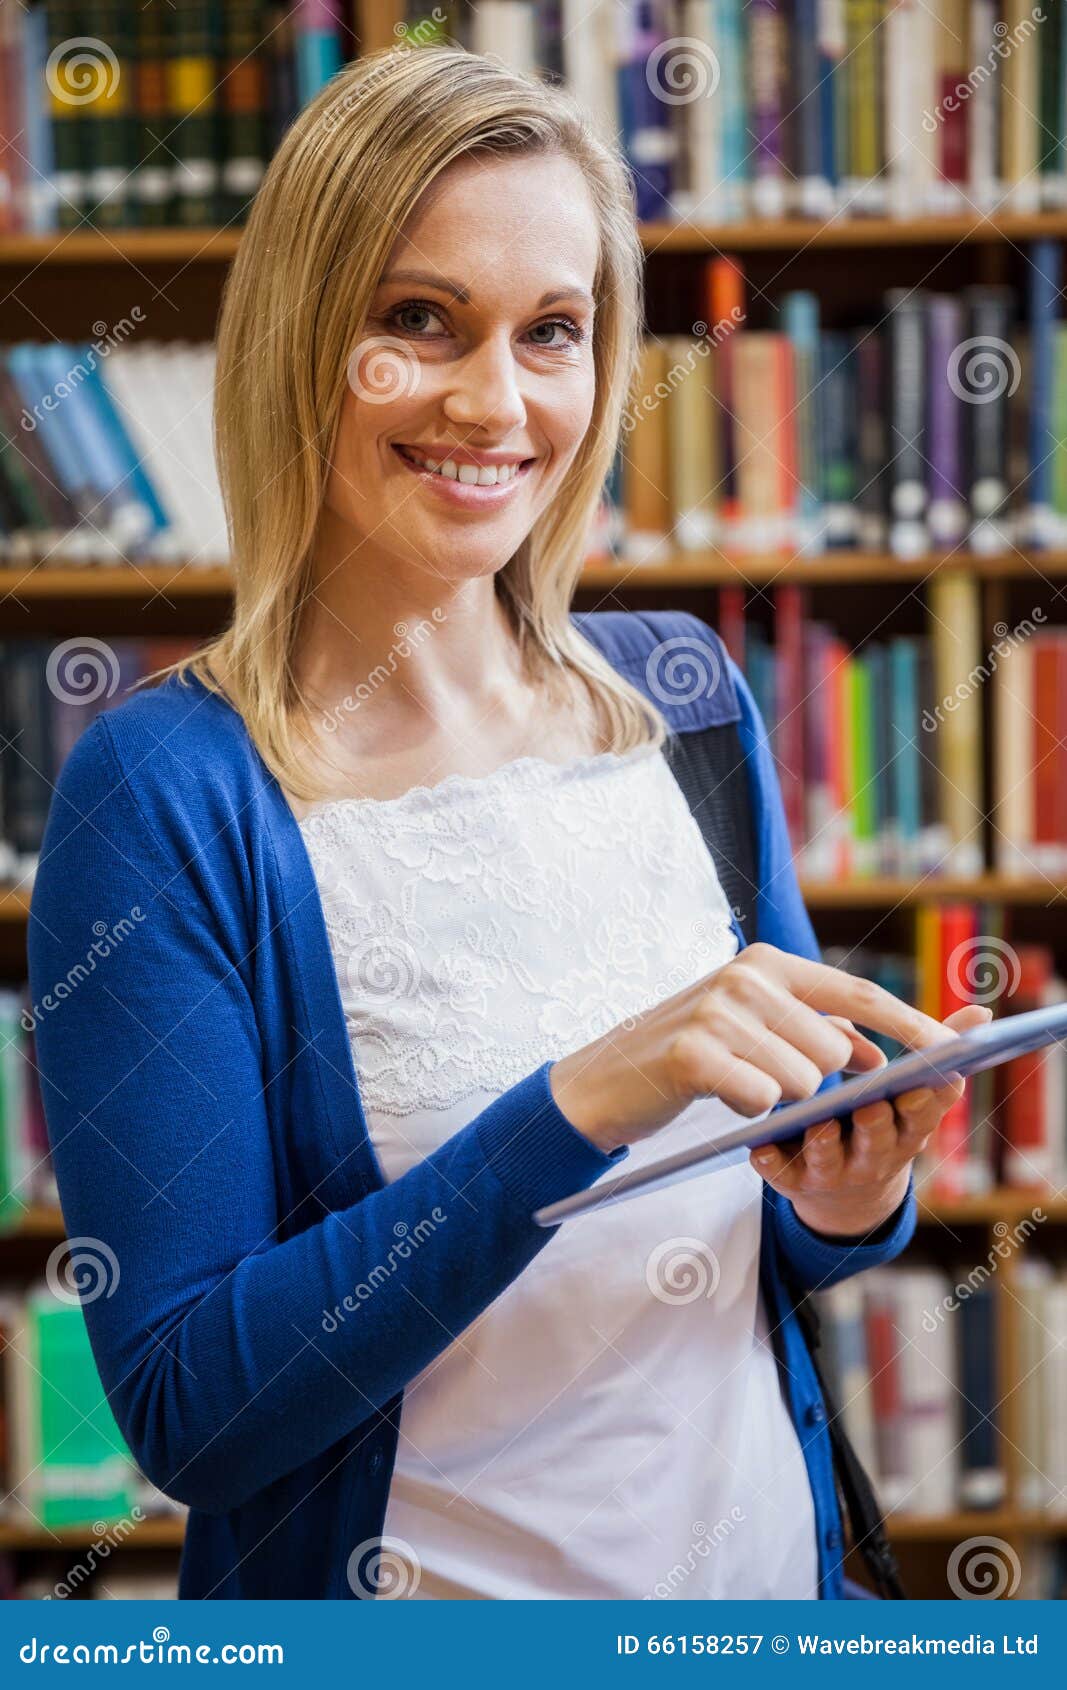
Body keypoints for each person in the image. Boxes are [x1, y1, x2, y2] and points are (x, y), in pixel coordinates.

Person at [28, 46, 986, 1601]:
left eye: (554, 332)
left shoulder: (686, 692)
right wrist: (586, 1099)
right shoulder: (167, 792)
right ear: (301, 341)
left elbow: (787, 1233)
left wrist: (852, 1190)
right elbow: (194, 1408)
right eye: (420, 321)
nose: (498, 399)